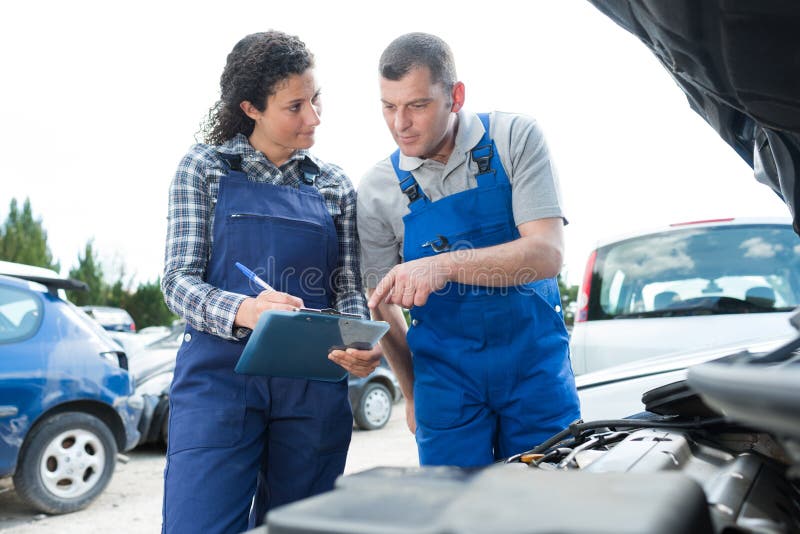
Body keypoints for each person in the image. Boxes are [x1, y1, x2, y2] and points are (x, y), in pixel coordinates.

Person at [160, 31, 379, 533]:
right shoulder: (204, 169)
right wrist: (248, 311)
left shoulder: (334, 185)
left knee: (301, 527)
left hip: (313, 387)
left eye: (316, 99)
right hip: (219, 382)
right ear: (251, 108)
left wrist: (358, 341)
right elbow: (177, 281)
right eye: (295, 106)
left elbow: (348, 288)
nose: (314, 117)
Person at [355, 32, 581, 468]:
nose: (401, 124)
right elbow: (380, 302)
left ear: (455, 97)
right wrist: (413, 392)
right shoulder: (376, 189)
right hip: (446, 386)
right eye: (388, 106)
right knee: (456, 504)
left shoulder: (515, 138)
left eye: (417, 105)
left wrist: (442, 266)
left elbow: (546, 253)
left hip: (535, 374)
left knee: (547, 498)